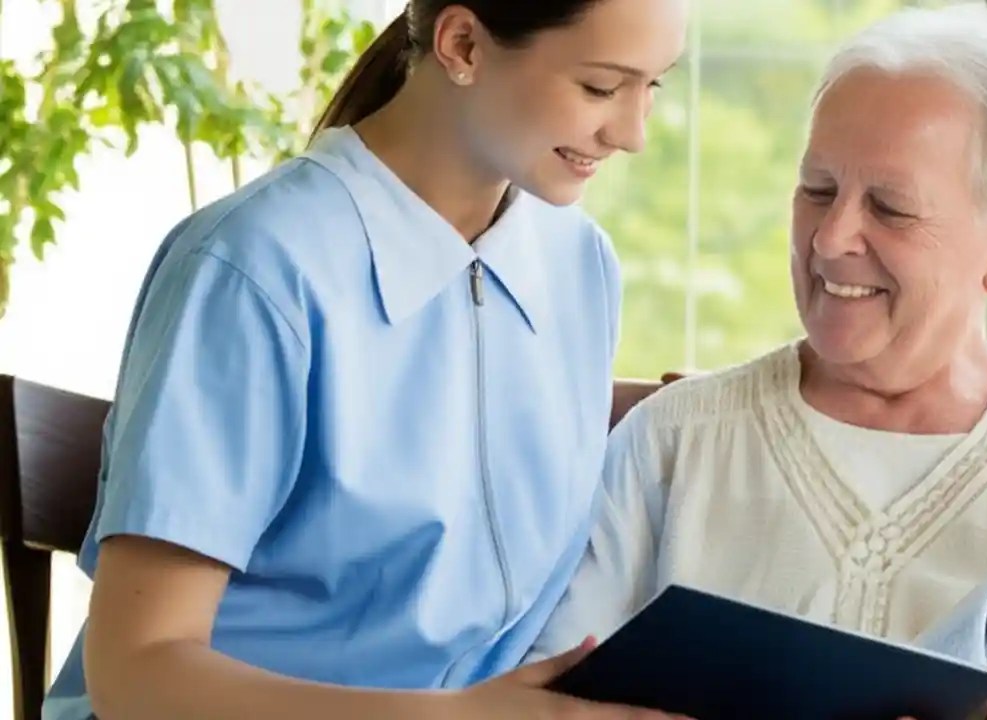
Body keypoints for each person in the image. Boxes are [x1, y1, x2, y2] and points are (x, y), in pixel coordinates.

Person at [531, 5, 987, 719]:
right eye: (817, 190)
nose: (830, 240)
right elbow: (539, 706)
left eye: (890, 208)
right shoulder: (672, 445)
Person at [42, 1, 694, 719]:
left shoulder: (579, 264)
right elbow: (136, 675)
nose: (632, 133)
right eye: (601, 87)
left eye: (653, 86)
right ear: (464, 44)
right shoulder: (253, 269)